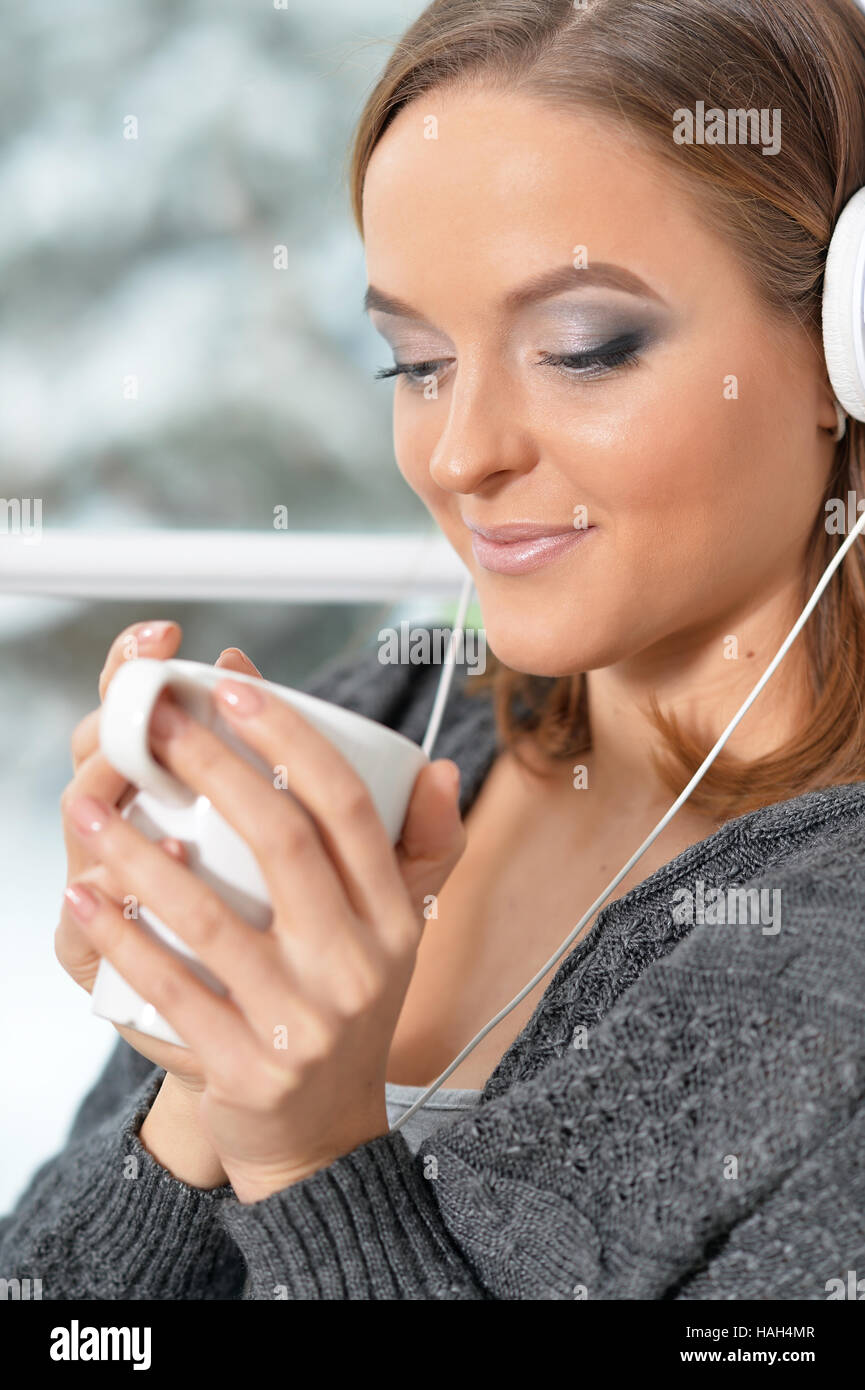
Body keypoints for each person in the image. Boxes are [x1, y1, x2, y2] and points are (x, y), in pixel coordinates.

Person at [3, 0, 865, 1300]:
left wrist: (307, 1156)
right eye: (413, 361)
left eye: (582, 348)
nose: (459, 455)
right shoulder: (391, 721)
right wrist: (197, 1060)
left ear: (839, 356)